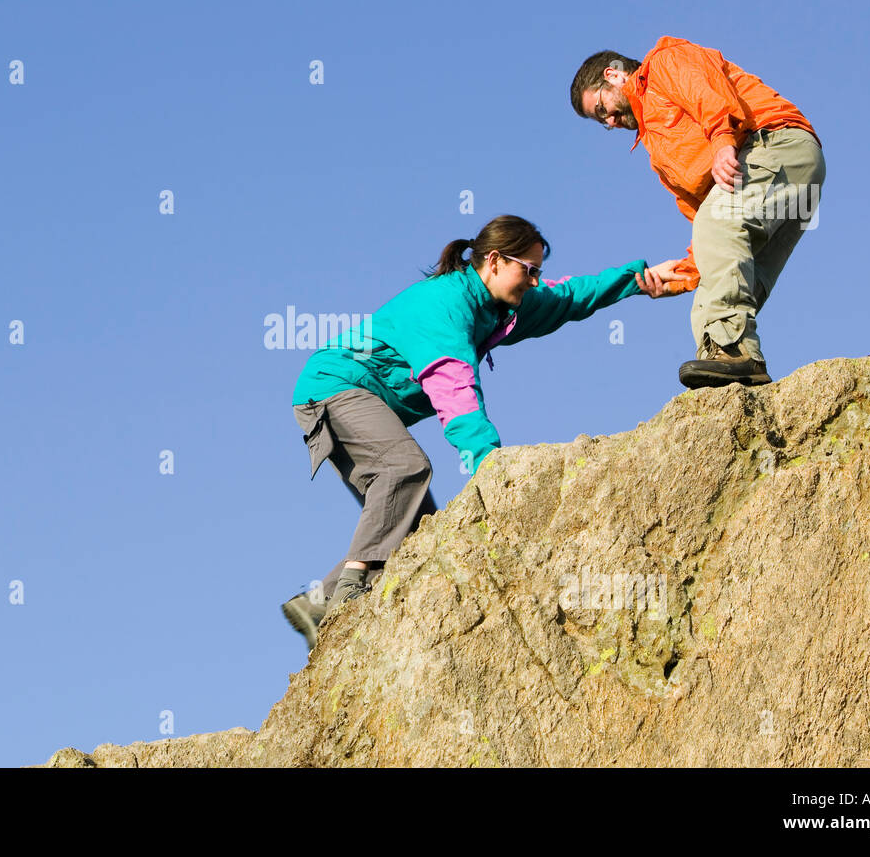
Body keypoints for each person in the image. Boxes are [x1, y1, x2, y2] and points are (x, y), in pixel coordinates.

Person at [281, 214, 684, 650]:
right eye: (527, 271)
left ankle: (316, 603)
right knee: (404, 469)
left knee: (415, 530)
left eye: (538, 271)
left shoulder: (498, 309)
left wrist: (639, 279)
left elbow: (567, 297)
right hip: (336, 387)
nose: (534, 281)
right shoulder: (445, 306)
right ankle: (350, 590)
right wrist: (491, 468)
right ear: (493, 261)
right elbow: (455, 393)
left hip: (361, 399)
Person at [569, 37, 826, 388]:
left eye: (602, 109)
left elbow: (707, 91)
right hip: (793, 188)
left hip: (775, 143)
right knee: (723, 283)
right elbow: (708, 226)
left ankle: (733, 350)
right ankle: (735, 378)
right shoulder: (658, 150)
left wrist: (722, 141)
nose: (610, 122)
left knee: (719, 227)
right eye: (601, 122)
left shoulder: (662, 63)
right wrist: (682, 276)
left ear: (612, 76)